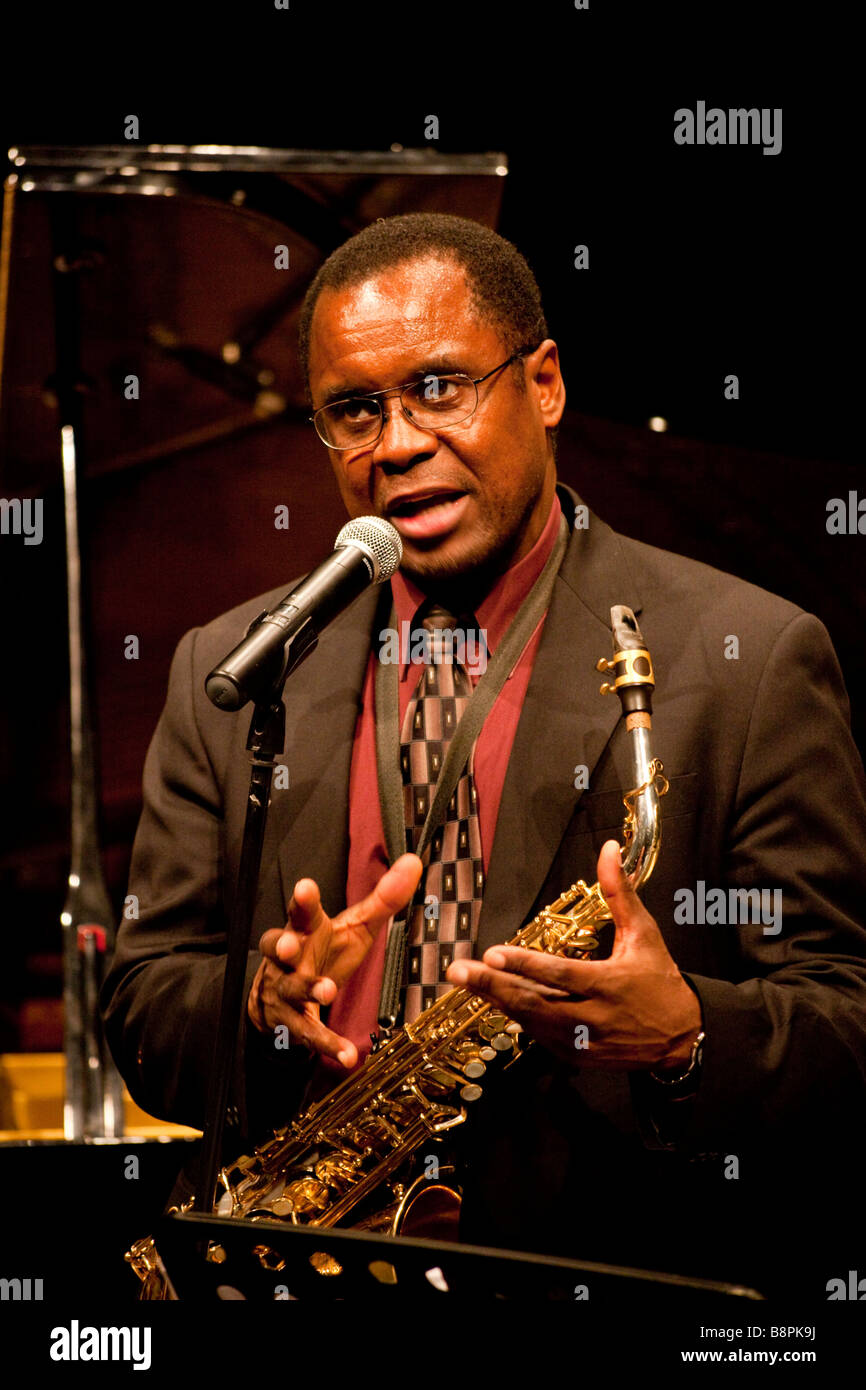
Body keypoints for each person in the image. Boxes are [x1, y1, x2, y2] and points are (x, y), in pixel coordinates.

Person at [102, 213, 866, 1298]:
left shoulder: (746, 657)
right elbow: (140, 1000)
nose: (397, 443)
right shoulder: (228, 669)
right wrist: (261, 1010)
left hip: (595, 1277)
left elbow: (844, 1019)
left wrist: (689, 1034)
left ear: (544, 382)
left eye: (440, 387)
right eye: (353, 412)